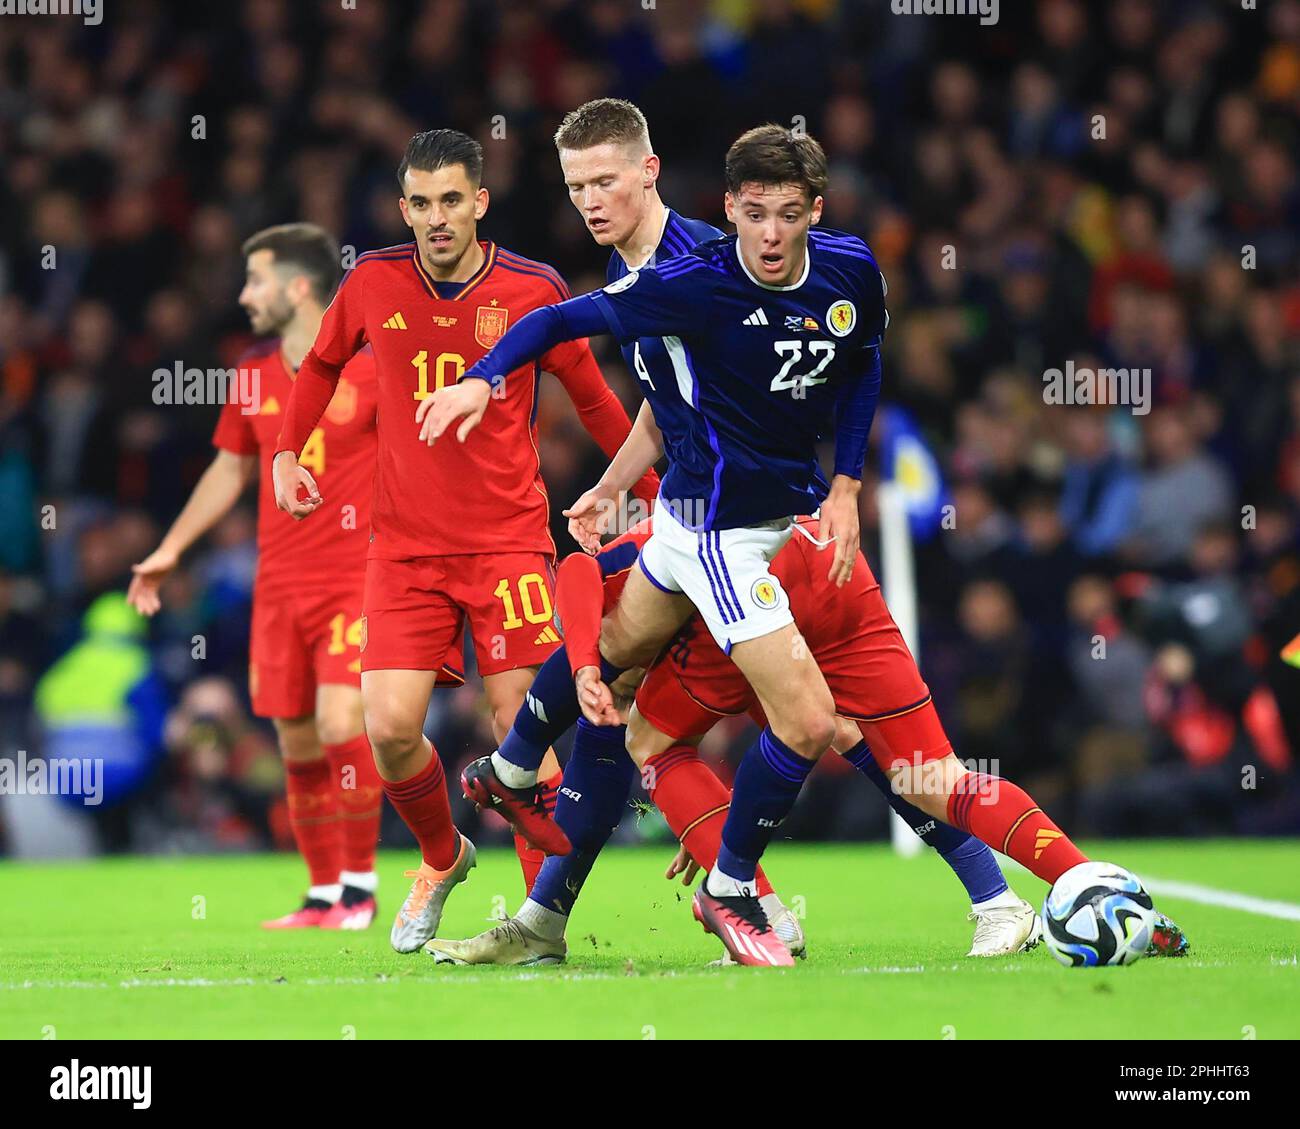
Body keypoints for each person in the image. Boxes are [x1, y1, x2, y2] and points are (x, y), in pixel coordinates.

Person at [420, 122, 885, 957]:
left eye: (605, 181)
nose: (591, 201)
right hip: (699, 518)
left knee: (674, 699)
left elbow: (842, 358)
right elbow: (665, 397)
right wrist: (608, 482)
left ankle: (548, 807)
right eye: (575, 187)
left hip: (754, 518)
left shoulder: (713, 258)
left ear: (650, 170)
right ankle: (654, 886)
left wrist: (845, 486)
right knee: (626, 691)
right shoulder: (637, 272)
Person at [270, 129, 657, 953]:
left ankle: (536, 923)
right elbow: (320, 368)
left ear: (480, 201)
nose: (436, 218)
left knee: (522, 725)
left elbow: (592, 398)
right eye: (420, 202)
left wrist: (657, 490)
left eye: (452, 200)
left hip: (509, 543)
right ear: (402, 207)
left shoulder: (531, 287)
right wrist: (283, 455)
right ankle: (443, 857)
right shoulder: (373, 279)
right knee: (389, 728)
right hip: (404, 549)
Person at [129, 224, 440, 930]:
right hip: (280, 587)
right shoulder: (252, 371)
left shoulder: (371, 363)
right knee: (296, 741)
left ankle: (361, 888)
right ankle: (324, 892)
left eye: (255, 281)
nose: (244, 296)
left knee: (340, 722)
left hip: (356, 578)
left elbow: (420, 449)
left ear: (298, 287)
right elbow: (229, 468)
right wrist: (172, 546)